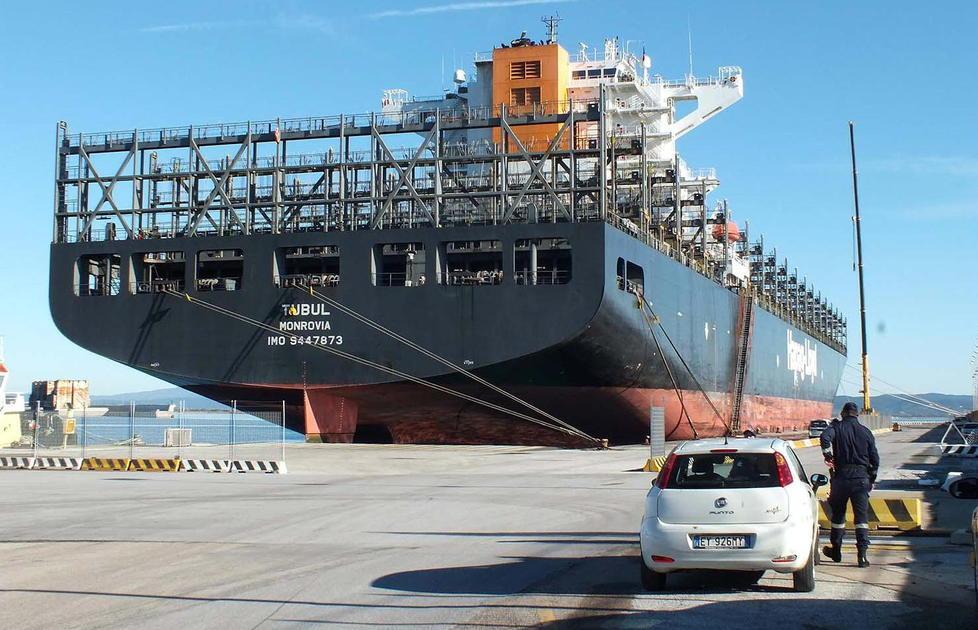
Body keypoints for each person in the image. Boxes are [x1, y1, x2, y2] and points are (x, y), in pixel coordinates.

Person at [819, 402, 879, 567]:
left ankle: (836, 550)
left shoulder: (837, 428)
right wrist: (871, 479)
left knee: (838, 516)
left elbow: (824, 437)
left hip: (841, 478)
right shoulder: (866, 432)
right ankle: (862, 556)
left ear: (843, 413)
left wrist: (828, 456)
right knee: (861, 518)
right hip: (861, 479)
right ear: (857, 414)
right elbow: (875, 459)